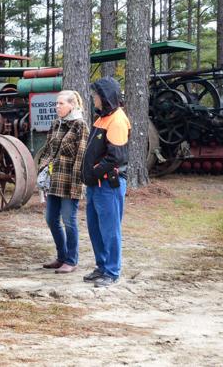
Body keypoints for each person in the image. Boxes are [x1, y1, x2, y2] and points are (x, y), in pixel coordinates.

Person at [81, 77, 130, 288]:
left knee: (110, 230)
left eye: (96, 96)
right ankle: (102, 266)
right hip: (95, 186)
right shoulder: (102, 118)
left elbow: (115, 158)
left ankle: (112, 271)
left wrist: (93, 173)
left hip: (108, 186)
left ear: (105, 96)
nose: (94, 99)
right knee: (95, 228)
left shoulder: (117, 120)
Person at [36, 90, 89, 274]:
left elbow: (81, 156)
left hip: (70, 180)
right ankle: (61, 256)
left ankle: (71, 260)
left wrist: (77, 184)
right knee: (51, 218)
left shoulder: (80, 126)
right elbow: (48, 151)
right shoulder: (55, 124)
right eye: (56, 103)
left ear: (72, 105)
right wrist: (42, 169)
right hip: (54, 180)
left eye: (61, 103)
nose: (57, 106)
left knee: (69, 220)